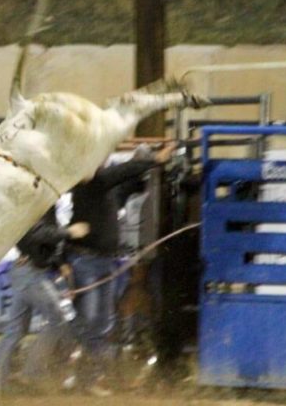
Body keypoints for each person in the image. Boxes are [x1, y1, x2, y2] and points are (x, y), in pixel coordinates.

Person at [65, 143, 176, 395]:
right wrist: (154, 159)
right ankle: (86, 374)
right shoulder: (92, 182)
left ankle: (88, 375)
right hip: (88, 261)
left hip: (101, 261)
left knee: (101, 322)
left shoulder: (102, 186)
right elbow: (123, 172)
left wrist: (147, 165)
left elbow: (125, 178)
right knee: (94, 321)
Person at [0, 205, 89, 391]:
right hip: (31, 274)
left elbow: (38, 241)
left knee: (15, 331)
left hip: (26, 271)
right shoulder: (39, 205)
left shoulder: (38, 205)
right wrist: (68, 232)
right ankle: (32, 372)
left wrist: (59, 262)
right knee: (58, 319)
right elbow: (38, 235)